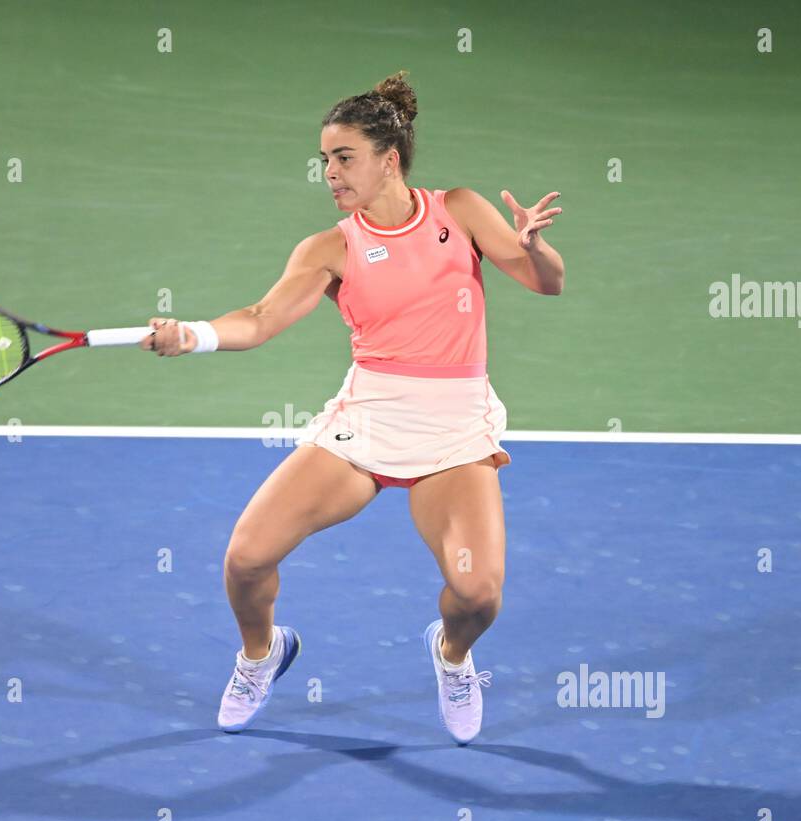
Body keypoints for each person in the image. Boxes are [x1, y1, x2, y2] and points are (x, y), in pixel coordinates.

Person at [141, 71, 564, 744]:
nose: (330, 174)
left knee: (478, 595)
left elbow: (547, 284)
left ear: (388, 160)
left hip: (454, 435)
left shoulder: (459, 209)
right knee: (246, 557)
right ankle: (261, 653)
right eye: (324, 161)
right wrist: (193, 336)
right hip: (364, 426)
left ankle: (451, 656)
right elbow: (260, 318)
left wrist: (535, 246)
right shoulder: (329, 248)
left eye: (343, 158)